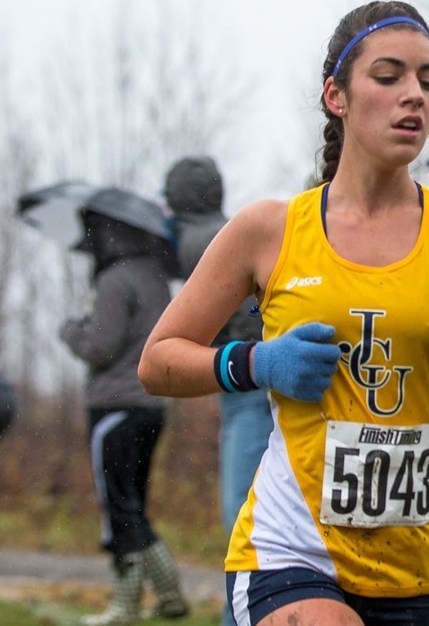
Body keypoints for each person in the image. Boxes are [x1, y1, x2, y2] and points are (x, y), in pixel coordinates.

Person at [138, 1, 429, 626]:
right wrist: (255, 361)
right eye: (388, 77)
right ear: (336, 95)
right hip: (289, 550)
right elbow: (158, 361)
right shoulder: (270, 229)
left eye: (427, 79)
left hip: (410, 565)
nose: (413, 95)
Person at [59, 189, 189, 625]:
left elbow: (100, 346)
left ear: (107, 232)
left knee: (120, 507)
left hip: (114, 406)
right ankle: (166, 595)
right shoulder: (154, 275)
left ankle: (131, 602)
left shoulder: (115, 279)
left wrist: (70, 331)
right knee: (133, 503)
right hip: (150, 405)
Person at [163, 154, 272, 626]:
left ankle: (239, 614)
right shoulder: (229, 229)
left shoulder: (190, 241)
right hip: (262, 376)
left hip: (245, 384)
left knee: (241, 512)